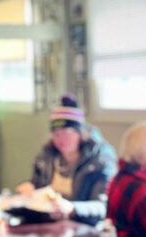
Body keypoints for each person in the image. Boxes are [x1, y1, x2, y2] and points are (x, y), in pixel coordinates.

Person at [16, 94, 116, 225]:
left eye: (66, 133)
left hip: (82, 230)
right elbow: (37, 186)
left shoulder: (100, 160)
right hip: (48, 225)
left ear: (80, 132)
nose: (60, 139)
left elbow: (102, 208)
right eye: (56, 134)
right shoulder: (47, 156)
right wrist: (30, 187)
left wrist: (72, 208)